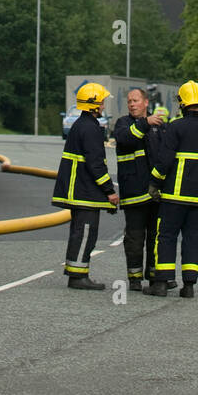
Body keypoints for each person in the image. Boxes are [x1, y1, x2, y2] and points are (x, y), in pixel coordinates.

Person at [147, 80, 198, 299]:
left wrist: (154, 183)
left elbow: (164, 159)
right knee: (193, 237)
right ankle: (189, 285)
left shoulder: (176, 127)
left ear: (182, 102)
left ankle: (161, 284)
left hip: (173, 196)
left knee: (166, 236)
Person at [52, 82, 119, 290]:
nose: (103, 106)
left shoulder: (81, 125)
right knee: (85, 232)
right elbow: (95, 164)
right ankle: (78, 276)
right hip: (84, 192)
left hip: (80, 190)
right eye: (102, 102)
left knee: (80, 231)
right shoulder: (90, 128)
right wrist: (110, 191)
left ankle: (76, 272)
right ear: (93, 104)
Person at [113, 87, 174, 292]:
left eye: (136, 100)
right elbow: (125, 139)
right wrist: (145, 123)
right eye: (129, 101)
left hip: (156, 193)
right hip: (134, 193)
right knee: (135, 237)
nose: (132, 104)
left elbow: (167, 156)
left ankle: (157, 277)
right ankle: (134, 278)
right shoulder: (123, 124)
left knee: (157, 237)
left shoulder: (159, 127)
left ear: (146, 102)